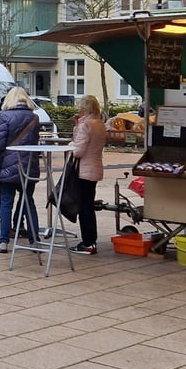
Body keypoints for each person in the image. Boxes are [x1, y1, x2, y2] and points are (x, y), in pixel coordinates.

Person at [0, 87, 42, 253]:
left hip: (8, 164)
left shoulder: (4, 116)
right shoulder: (34, 118)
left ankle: (3, 241)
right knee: (28, 202)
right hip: (29, 166)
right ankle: (35, 241)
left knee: (6, 202)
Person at [69, 95, 106, 255]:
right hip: (95, 167)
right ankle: (91, 240)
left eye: (80, 107)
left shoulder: (86, 125)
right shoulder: (99, 124)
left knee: (84, 208)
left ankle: (88, 242)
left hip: (84, 170)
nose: (79, 109)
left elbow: (78, 151)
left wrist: (71, 144)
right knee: (89, 205)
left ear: (85, 108)